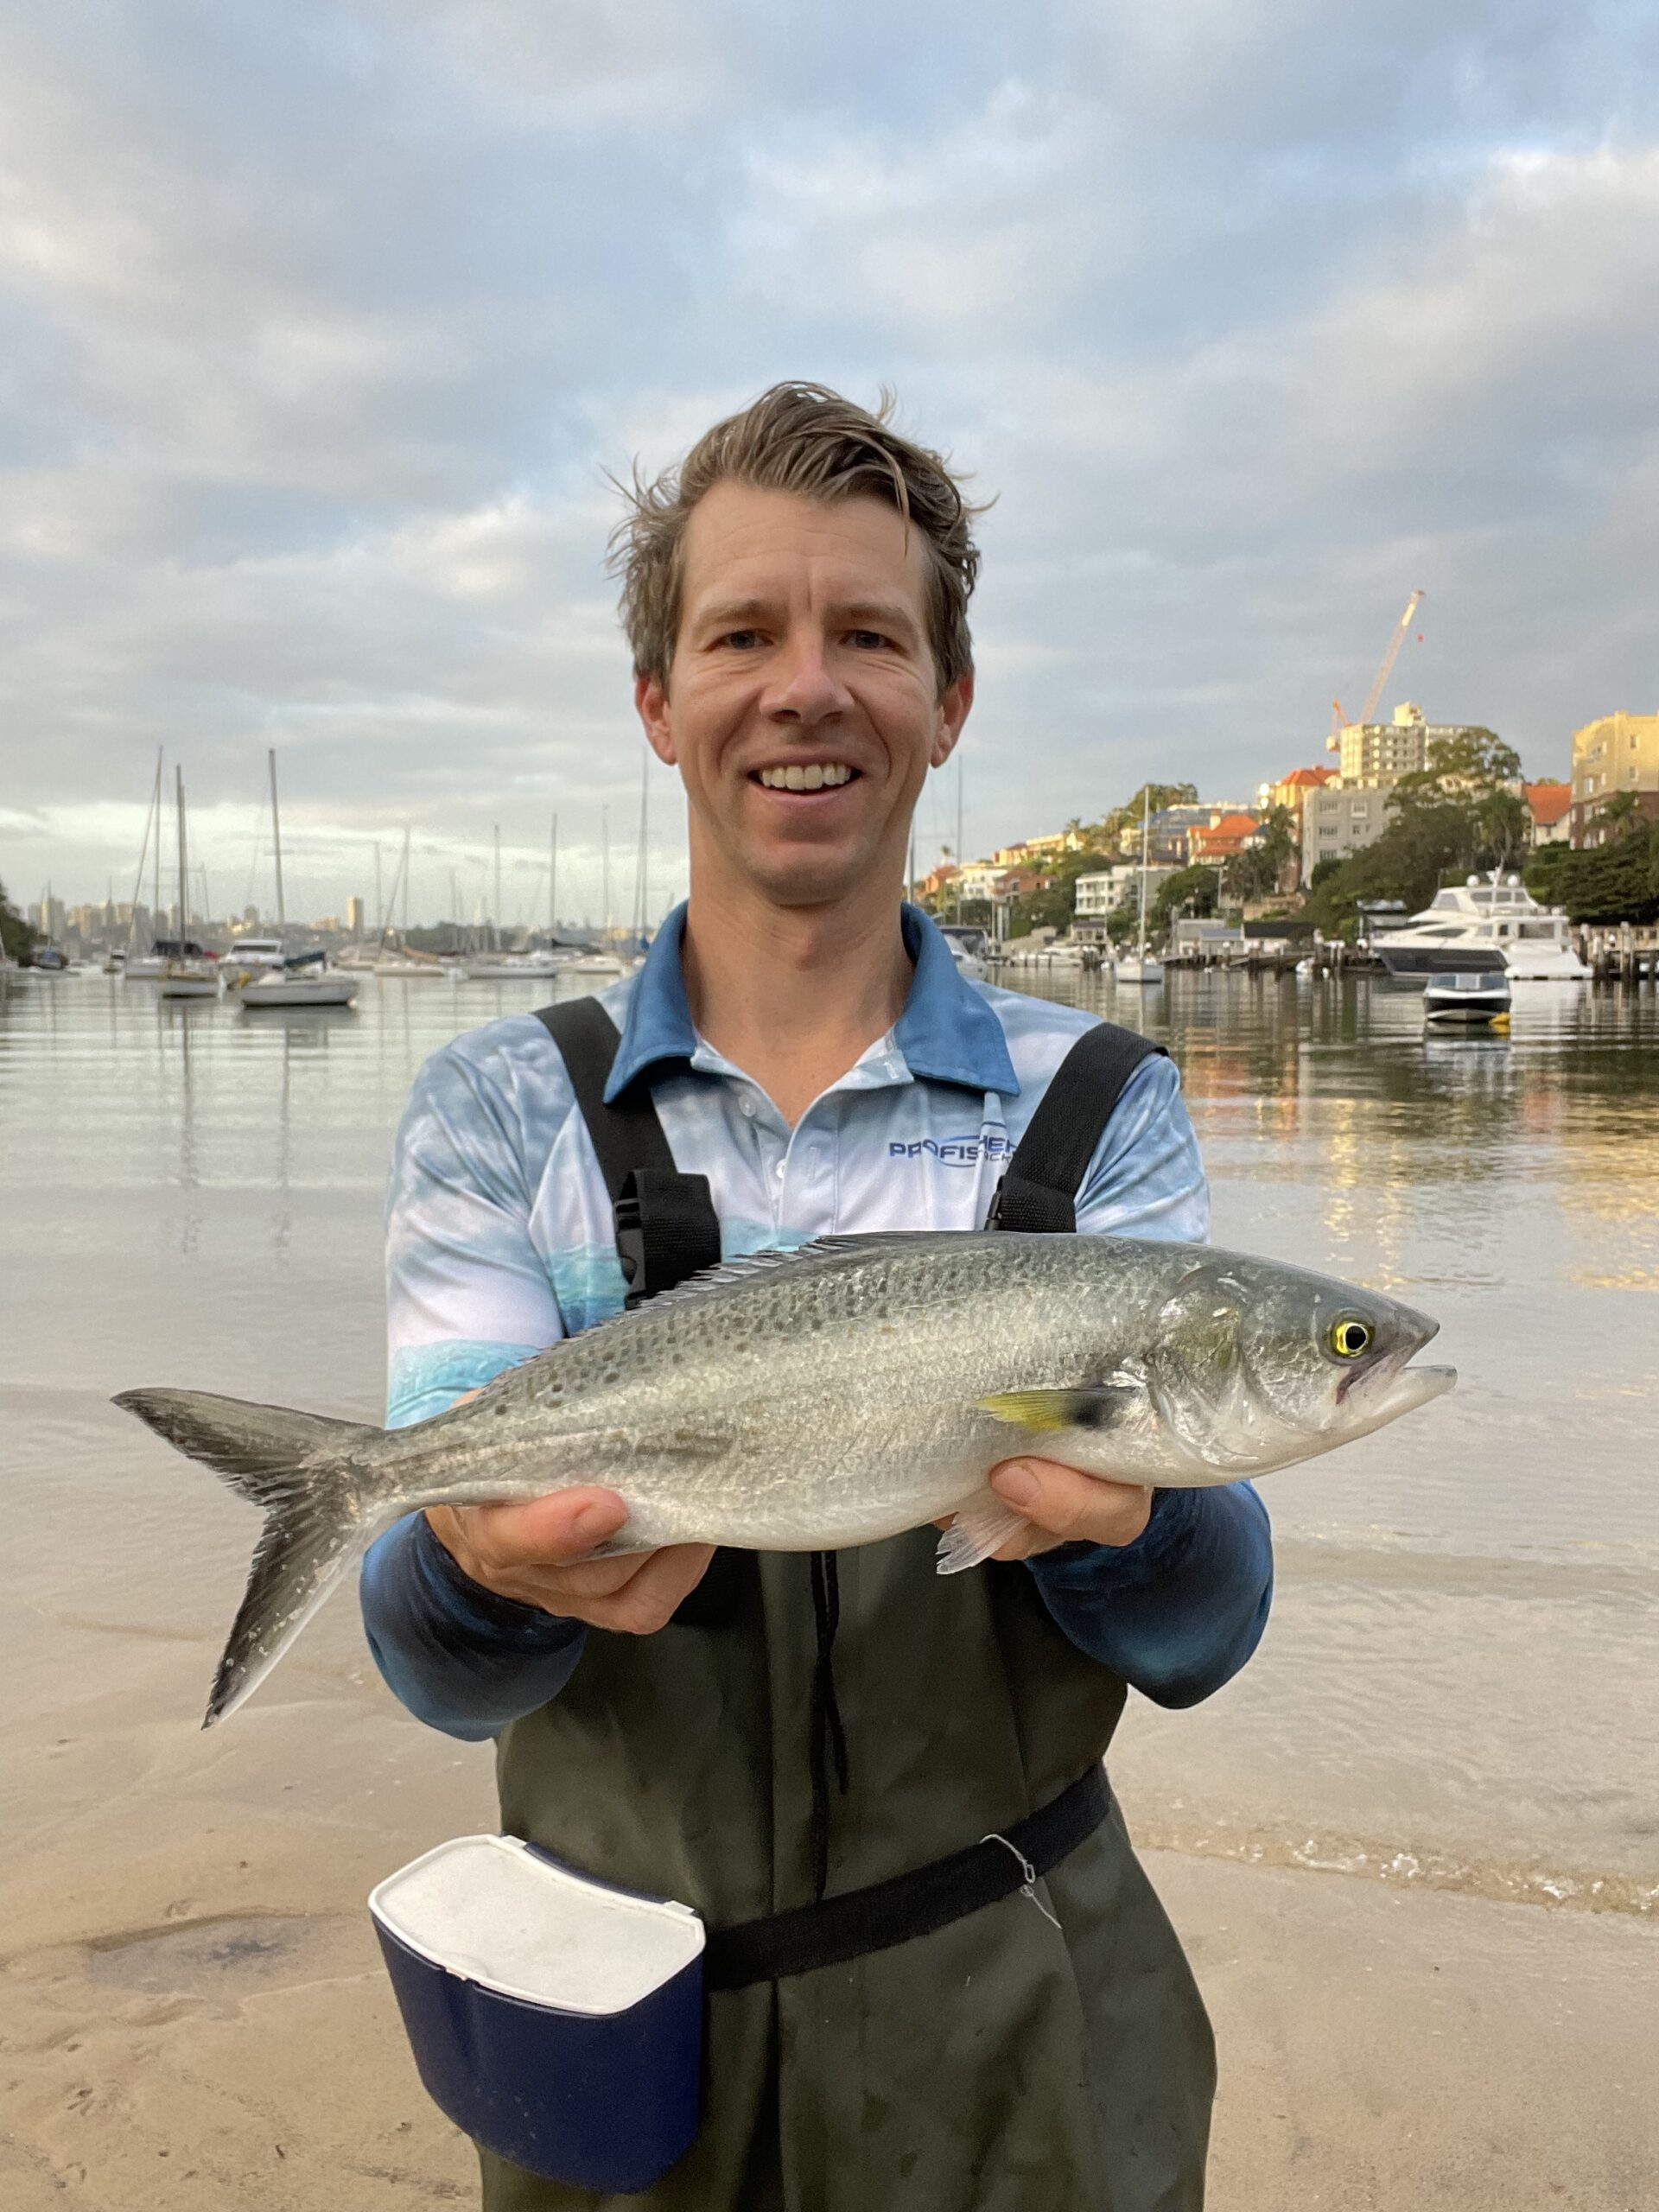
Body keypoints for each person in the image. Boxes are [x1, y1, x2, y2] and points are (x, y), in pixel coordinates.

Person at [360, 382, 1273, 2211]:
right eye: (742, 634)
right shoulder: (499, 1107)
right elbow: (432, 1661)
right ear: (658, 700)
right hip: (619, 2041)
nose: (807, 686)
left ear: (945, 701)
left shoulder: (1098, 1102)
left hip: (1029, 2033)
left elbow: (1203, 1627)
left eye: (868, 632)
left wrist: (1112, 1534)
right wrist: (480, 1559)